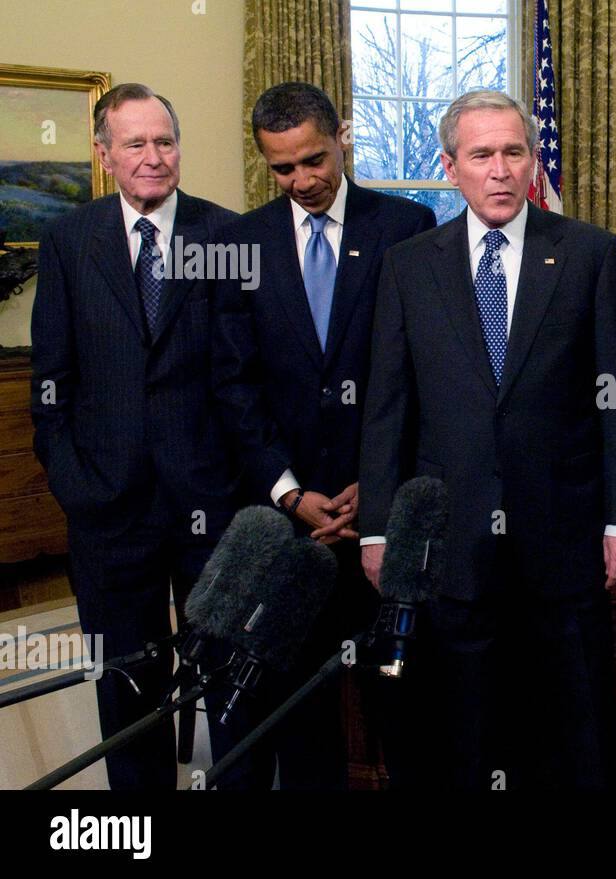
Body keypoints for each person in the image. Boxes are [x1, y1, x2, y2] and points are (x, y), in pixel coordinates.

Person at [358, 89, 616, 790]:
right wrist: (376, 529)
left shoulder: (588, 254)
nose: (499, 169)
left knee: (573, 728)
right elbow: (388, 407)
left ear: (531, 161)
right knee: (465, 724)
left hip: (563, 535)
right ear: (450, 165)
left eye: (513, 152)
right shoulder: (408, 264)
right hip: (450, 544)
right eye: (481, 154)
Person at [210, 81, 435, 789]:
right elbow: (233, 383)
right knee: (303, 711)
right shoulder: (239, 243)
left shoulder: (405, 224)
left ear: (343, 135)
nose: (303, 180)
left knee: (403, 706)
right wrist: (288, 491)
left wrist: (380, 481)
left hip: (382, 517)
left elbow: (425, 372)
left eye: (314, 159)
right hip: (294, 523)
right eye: (283, 168)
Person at [30, 83, 239, 789]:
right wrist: (74, 484)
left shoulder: (225, 236)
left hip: (211, 500)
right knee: (127, 677)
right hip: (108, 506)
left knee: (233, 669)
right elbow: (51, 382)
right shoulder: (68, 241)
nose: (153, 157)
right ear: (104, 153)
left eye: (165, 141)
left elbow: (248, 374)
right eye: (135, 144)